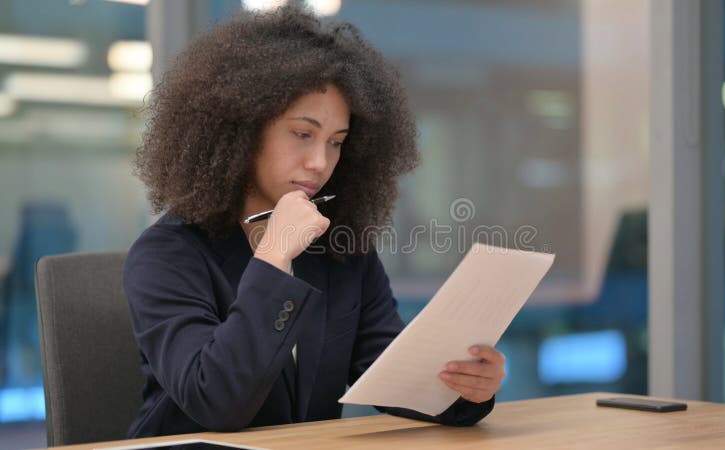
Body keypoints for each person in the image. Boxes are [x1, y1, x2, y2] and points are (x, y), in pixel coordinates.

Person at [124, 5, 505, 438]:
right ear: (242, 128)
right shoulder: (166, 254)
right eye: (303, 134)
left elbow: (395, 376)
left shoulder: (340, 248)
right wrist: (272, 258)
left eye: (336, 143)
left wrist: (465, 390)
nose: (320, 162)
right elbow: (217, 402)